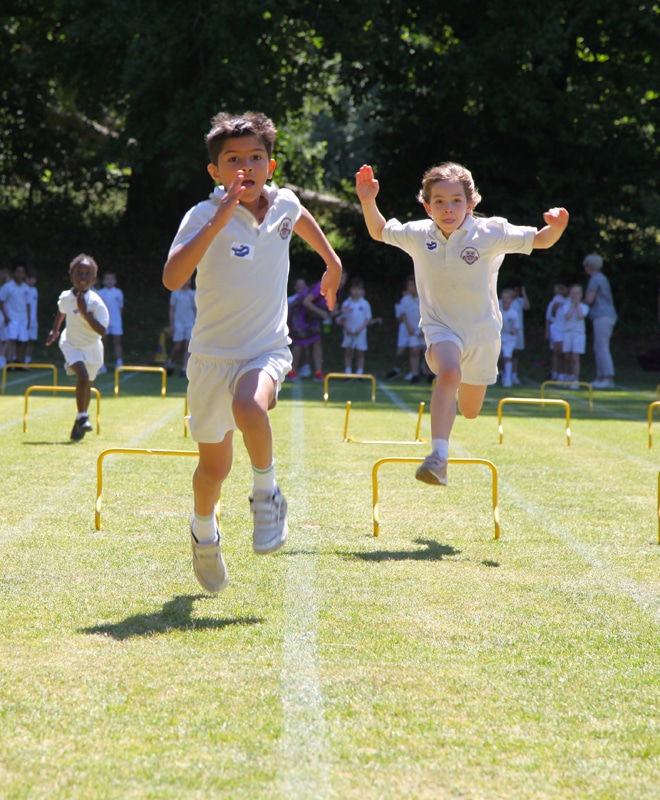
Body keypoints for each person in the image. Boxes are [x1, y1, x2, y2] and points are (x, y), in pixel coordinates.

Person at [162, 111, 342, 594]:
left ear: (271, 164)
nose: (245, 166)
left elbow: (301, 219)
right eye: (233, 159)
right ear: (215, 173)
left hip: (266, 347)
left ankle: (267, 496)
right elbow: (173, 278)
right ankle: (204, 533)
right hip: (210, 358)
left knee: (250, 404)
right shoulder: (202, 215)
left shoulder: (284, 203)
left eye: (255, 157)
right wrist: (220, 218)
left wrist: (332, 262)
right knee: (214, 468)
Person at [355, 161, 569, 485]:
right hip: (441, 328)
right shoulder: (417, 234)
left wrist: (556, 227)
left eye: (456, 200)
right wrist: (368, 200)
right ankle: (439, 457)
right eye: (438, 201)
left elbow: (540, 240)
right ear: (427, 206)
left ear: (471, 204)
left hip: (482, 333)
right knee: (450, 372)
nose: (448, 208)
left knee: (469, 410)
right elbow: (379, 231)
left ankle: (450, 402)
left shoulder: (491, 232)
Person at [45, 254, 109, 440]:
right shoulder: (66, 297)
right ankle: (83, 417)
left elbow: (102, 330)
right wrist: (55, 329)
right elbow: (62, 311)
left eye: (87, 273)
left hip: (92, 348)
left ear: (93, 278)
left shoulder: (96, 303)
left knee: (87, 385)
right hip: (71, 344)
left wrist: (84, 312)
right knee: (82, 376)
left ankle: (78, 421)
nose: (82, 277)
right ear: (71, 275)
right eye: (78, 272)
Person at [583, 253, 617, 389]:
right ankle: (600, 377)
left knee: (602, 347)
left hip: (603, 316)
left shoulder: (595, 279)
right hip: (604, 316)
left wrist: (576, 302)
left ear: (588, 266)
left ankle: (608, 378)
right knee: (599, 347)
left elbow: (589, 300)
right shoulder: (602, 278)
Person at [338, 277, 381, 375]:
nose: (356, 292)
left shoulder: (365, 304)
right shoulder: (346, 303)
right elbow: (342, 318)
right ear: (350, 290)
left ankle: (359, 373)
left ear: (362, 291)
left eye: (358, 289)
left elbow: (368, 318)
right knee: (348, 351)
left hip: (360, 332)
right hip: (348, 331)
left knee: (360, 352)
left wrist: (360, 329)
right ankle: (348, 372)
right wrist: (347, 328)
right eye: (354, 289)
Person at [0, 265, 31, 365]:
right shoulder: (8, 286)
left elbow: (28, 304)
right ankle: (8, 361)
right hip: (11, 317)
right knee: (10, 340)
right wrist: (5, 316)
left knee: (21, 341)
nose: (20, 274)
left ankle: (17, 361)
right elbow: (1, 302)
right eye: (18, 271)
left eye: (22, 272)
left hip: (23, 318)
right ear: (14, 273)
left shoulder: (26, 288)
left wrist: (29, 319)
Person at [560, 284, 589, 388]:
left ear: (581, 295)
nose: (575, 295)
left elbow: (581, 316)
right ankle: (568, 375)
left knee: (575, 357)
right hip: (568, 332)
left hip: (579, 333)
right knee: (567, 356)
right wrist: (573, 305)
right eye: (573, 293)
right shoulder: (566, 305)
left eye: (577, 293)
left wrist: (577, 305)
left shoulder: (584, 306)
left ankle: (576, 380)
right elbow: (567, 316)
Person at [166, 278, 196, 376]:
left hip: (190, 323)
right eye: (185, 280)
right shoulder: (175, 294)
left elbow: (195, 310)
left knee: (188, 347)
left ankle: (184, 368)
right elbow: (172, 309)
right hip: (178, 323)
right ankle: (171, 363)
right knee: (177, 347)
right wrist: (171, 325)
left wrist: (196, 323)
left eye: (188, 281)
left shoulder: (193, 294)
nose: (186, 283)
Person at [97, 271, 124, 373]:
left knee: (117, 342)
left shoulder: (118, 292)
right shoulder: (100, 293)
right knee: (103, 342)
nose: (109, 281)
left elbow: (121, 307)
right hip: (104, 321)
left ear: (115, 281)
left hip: (116, 321)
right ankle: (101, 364)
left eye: (111, 279)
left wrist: (117, 318)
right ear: (103, 281)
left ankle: (119, 363)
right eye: (107, 279)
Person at [385, 282, 410, 379]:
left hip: (414, 329)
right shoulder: (400, 304)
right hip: (404, 329)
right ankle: (396, 369)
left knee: (415, 351)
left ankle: (416, 372)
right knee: (400, 352)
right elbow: (399, 318)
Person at [545, 280, 568, 380]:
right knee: (556, 352)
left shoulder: (567, 302)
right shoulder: (553, 303)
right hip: (555, 329)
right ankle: (554, 372)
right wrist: (547, 332)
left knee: (563, 352)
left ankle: (562, 373)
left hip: (565, 329)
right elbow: (549, 318)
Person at [499, 288, 520, 388]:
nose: (505, 300)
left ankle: (508, 379)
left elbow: (516, 329)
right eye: (503, 298)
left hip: (510, 338)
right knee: (498, 357)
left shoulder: (514, 314)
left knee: (507, 356)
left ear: (511, 300)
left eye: (507, 298)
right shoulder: (498, 311)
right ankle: (500, 375)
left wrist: (513, 332)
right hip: (499, 336)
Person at [24, 268, 39, 365]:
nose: (32, 281)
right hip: (23, 319)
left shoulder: (34, 290)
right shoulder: (24, 289)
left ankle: (28, 360)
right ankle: (14, 359)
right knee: (20, 341)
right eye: (30, 278)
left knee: (31, 340)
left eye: (34, 279)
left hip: (33, 320)